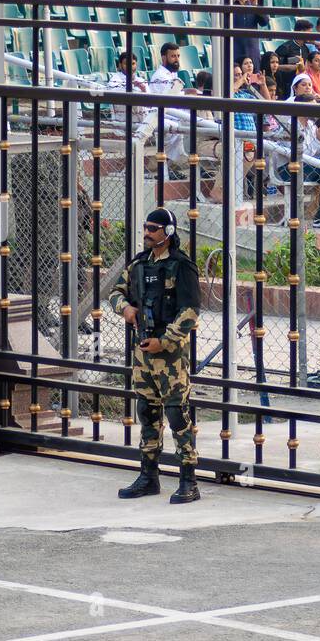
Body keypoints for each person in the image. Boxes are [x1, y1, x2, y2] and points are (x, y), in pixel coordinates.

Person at [110, 208, 203, 503]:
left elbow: (190, 312)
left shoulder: (181, 266)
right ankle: (149, 476)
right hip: (143, 351)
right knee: (147, 412)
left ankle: (189, 480)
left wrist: (164, 341)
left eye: (153, 228)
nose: (147, 233)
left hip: (171, 354)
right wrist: (125, 308)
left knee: (177, 414)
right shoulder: (139, 264)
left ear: (168, 232)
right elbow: (115, 292)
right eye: (145, 227)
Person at [230, 0, 269, 66]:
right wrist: (231, 0)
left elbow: (265, 22)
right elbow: (221, 21)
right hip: (235, 52)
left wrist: (256, 5)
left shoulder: (253, 5)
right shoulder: (229, 4)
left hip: (252, 53)